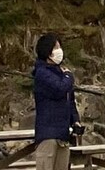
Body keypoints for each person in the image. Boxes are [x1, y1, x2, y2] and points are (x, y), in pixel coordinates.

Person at [33, 33, 82, 170]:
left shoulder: (61, 73)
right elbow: (59, 89)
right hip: (48, 134)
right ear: (47, 52)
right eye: (56, 47)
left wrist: (75, 119)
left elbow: (70, 99)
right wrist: (68, 76)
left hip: (63, 134)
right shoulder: (42, 73)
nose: (59, 51)